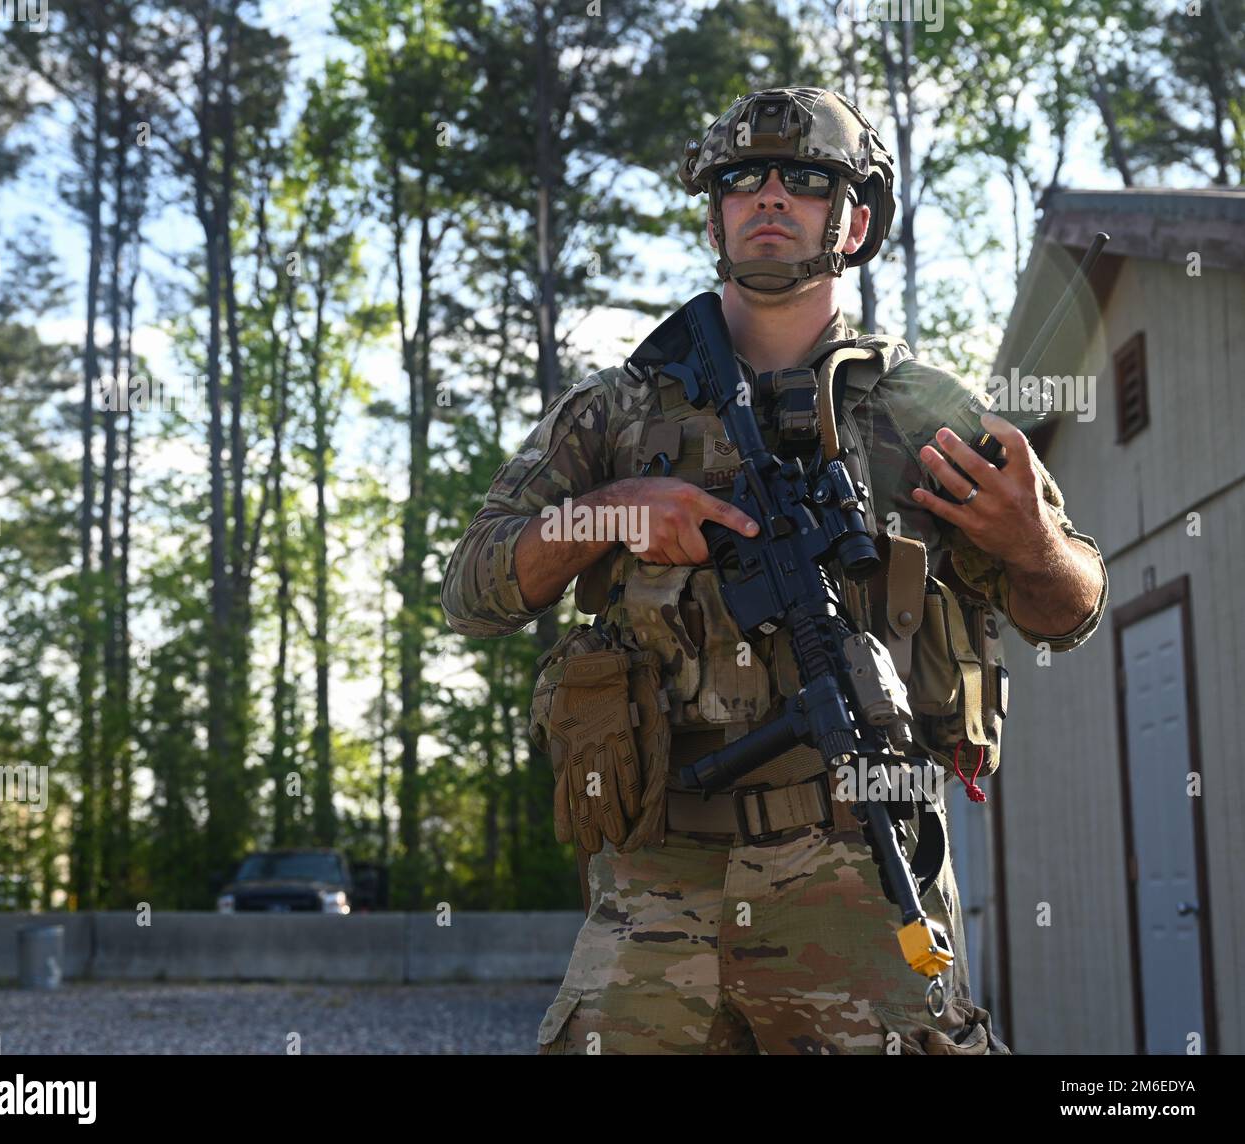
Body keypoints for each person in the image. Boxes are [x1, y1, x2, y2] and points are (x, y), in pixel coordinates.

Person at [441, 86, 1108, 1054]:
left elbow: (1068, 612)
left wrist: (1031, 547)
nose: (769, 196)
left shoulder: (928, 411)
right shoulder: (615, 410)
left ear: (856, 219)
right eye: (738, 178)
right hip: (656, 868)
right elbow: (473, 592)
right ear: (712, 212)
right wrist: (612, 511)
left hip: (863, 862)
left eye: (805, 178)